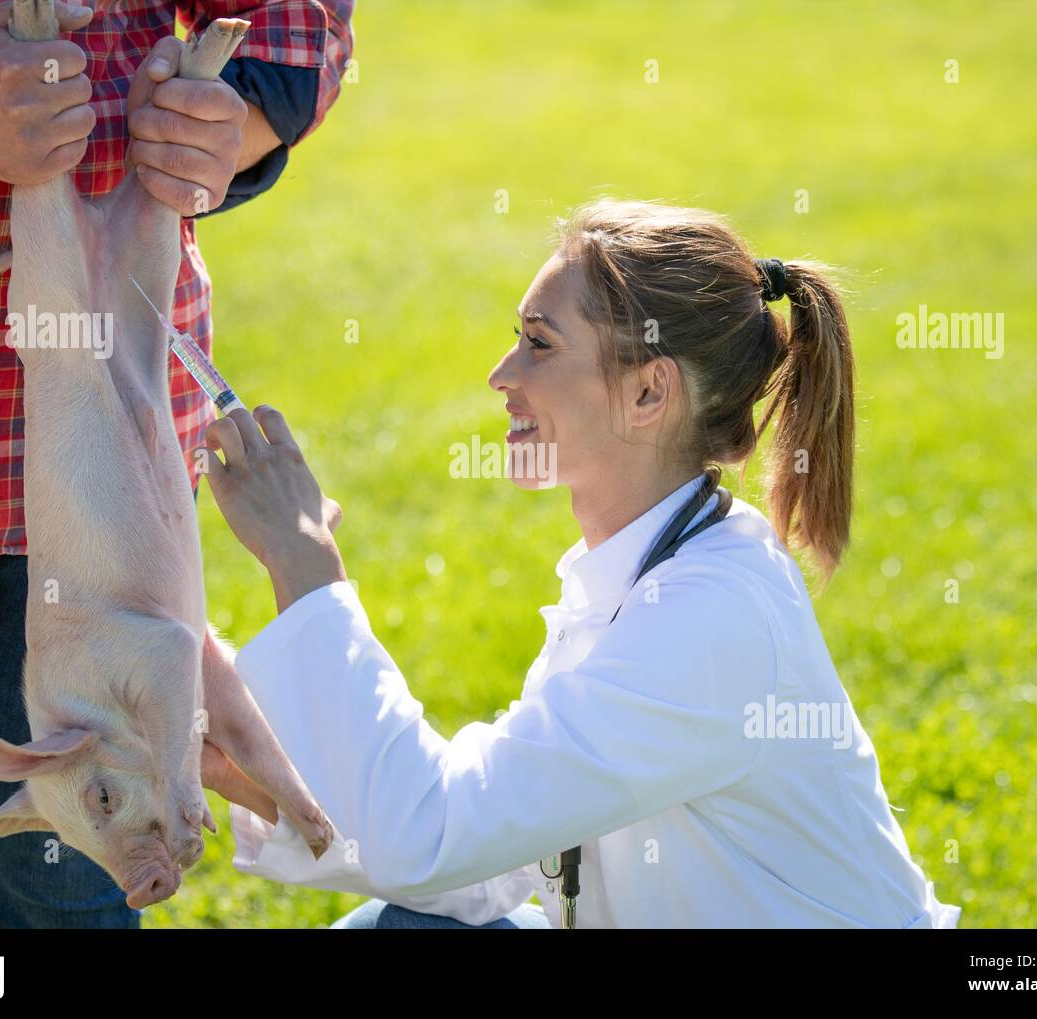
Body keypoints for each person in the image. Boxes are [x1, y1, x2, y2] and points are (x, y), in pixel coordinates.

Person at [196, 198, 963, 929]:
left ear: (647, 392)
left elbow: (434, 831)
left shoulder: (712, 615)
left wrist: (304, 561)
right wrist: (253, 776)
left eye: (540, 343)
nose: (503, 375)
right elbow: (488, 860)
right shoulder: (642, 573)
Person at [0, 0, 355, 928]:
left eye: (107, 805)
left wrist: (229, 123)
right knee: (139, 236)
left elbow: (294, 19)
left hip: (35, 392)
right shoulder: (127, 723)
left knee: (59, 897)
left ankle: (72, 46)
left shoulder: (103, 719)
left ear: (48, 757)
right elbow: (189, 671)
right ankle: (177, 66)